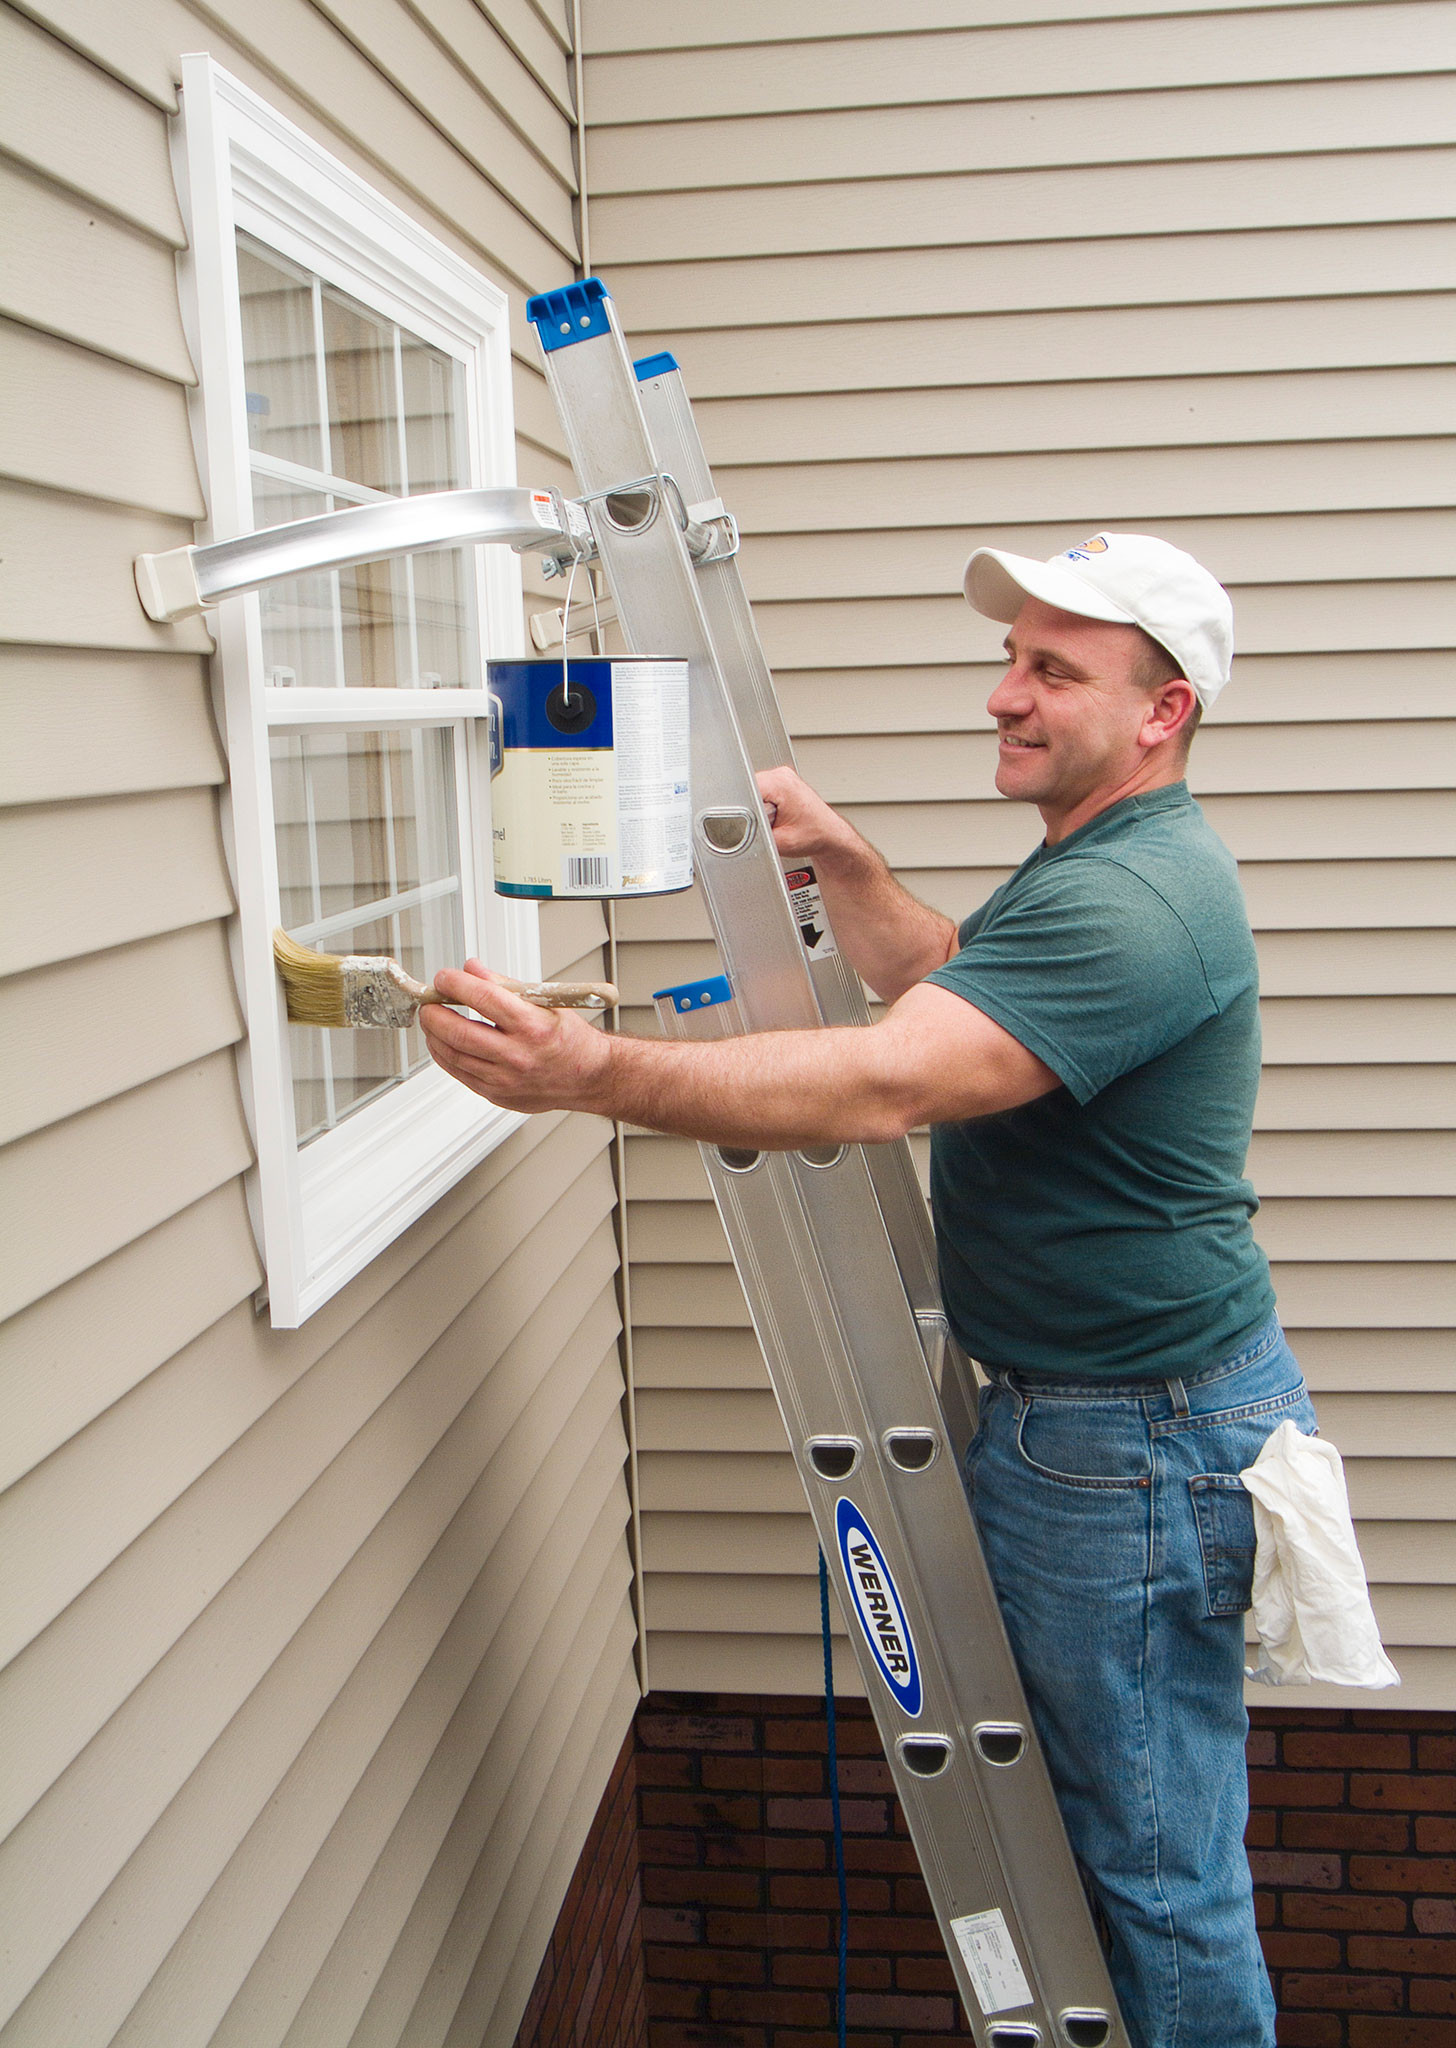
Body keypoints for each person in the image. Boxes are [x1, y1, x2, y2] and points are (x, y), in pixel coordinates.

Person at [421, 531, 1312, 2048]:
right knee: (1144, 1850)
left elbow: (899, 1080)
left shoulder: (1140, 898)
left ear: (1162, 714)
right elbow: (960, 975)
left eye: (1053, 671)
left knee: (1157, 1877)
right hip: (1103, 1430)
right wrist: (850, 867)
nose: (1003, 696)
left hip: (1130, 1452)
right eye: (1011, 658)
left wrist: (594, 1074)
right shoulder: (1100, 860)